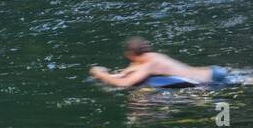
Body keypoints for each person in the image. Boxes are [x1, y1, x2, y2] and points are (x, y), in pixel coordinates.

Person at [89, 38, 231, 88]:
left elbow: (125, 83)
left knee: (245, 82)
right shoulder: (151, 56)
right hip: (213, 70)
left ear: (130, 55)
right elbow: (126, 72)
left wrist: (101, 75)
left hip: (209, 79)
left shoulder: (149, 65)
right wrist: (111, 74)